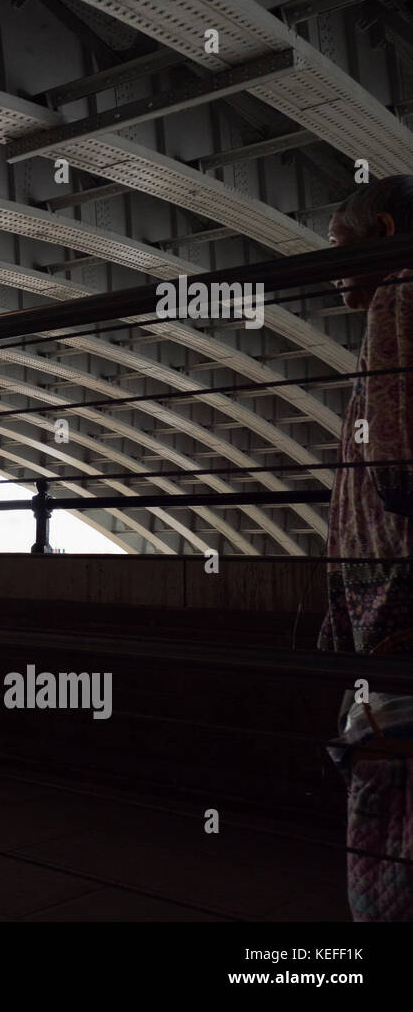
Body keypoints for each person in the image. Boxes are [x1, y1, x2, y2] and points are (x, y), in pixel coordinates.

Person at [319, 174, 413, 922]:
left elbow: (395, 462)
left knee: (384, 853)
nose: (330, 270)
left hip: (396, 615)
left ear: (385, 230)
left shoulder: (401, 293)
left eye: (340, 248)